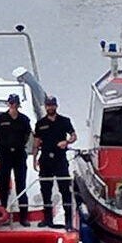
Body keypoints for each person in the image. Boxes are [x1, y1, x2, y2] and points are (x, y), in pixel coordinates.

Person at [33, 96, 77, 228]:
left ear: (56, 106)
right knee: (46, 190)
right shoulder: (40, 123)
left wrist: (67, 142)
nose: (50, 107)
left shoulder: (64, 121)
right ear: (45, 107)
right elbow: (36, 142)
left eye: (52, 105)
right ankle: (47, 219)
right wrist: (34, 159)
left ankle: (68, 220)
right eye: (48, 105)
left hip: (60, 159)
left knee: (65, 189)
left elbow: (74, 136)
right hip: (45, 160)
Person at [0, 94, 32, 225]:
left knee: (21, 185)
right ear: (8, 104)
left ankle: (23, 217)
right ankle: (2, 214)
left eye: (15, 103)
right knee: (3, 185)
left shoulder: (24, 119)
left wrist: (18, 145)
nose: (13, 105)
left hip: (19, 154)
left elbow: (27, 136)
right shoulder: (0, 119)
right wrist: (5, 145)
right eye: (11, 103)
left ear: (18, 104)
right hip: (5, 154)